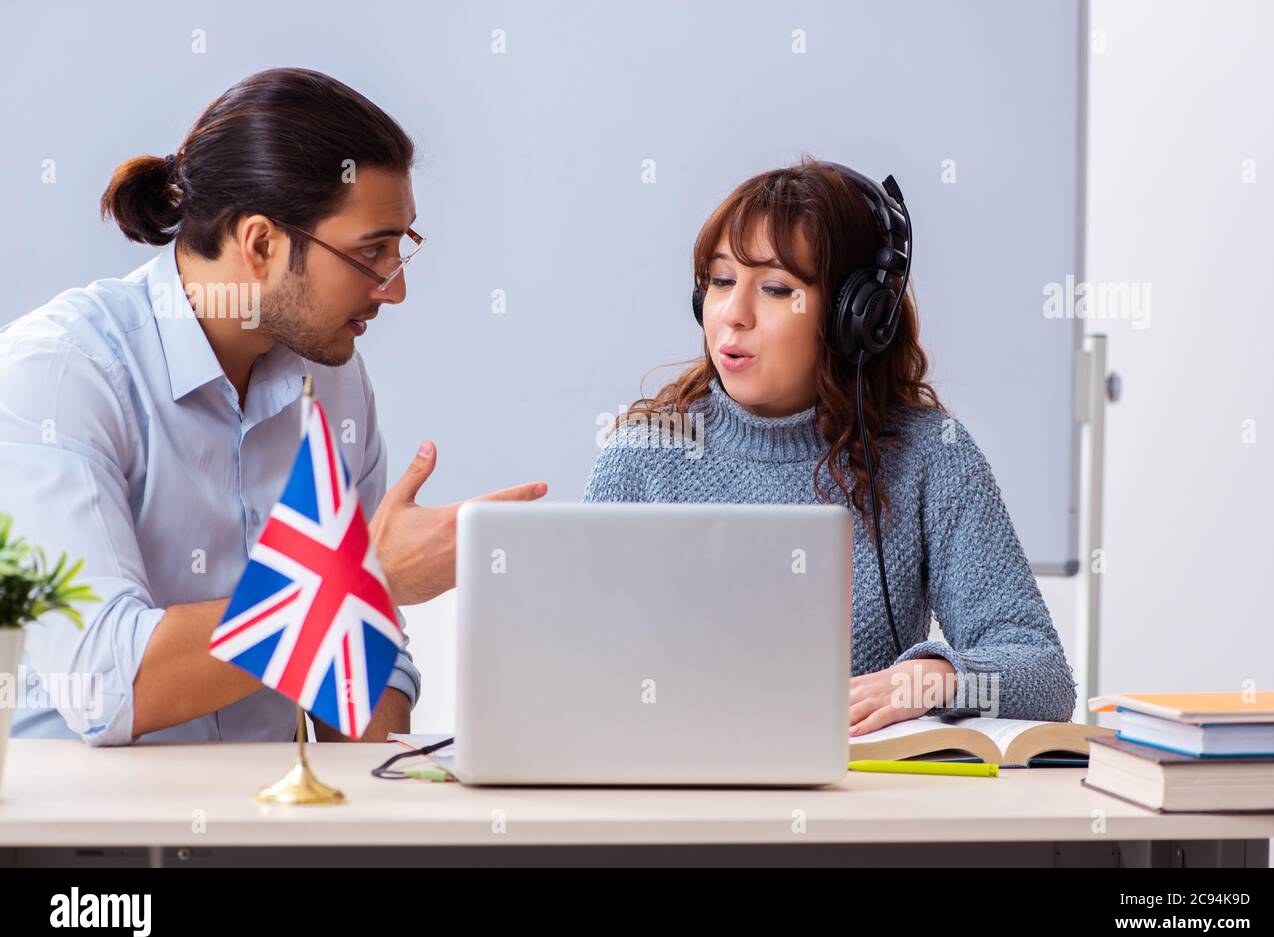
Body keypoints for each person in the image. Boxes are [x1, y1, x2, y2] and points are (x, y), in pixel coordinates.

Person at [0, 68, 547, 746]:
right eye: (370, 251)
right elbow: (113, 686)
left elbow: (351, 688)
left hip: (273, 831)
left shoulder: (335, 382)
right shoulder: (58, 375)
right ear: (260, 243)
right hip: (89, 837)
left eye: (401, 249)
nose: (394, 290)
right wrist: (357, 577)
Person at [583, 157, 1077, 735]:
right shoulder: (645, 456)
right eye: (720, 281)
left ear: (855, 316)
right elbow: (572, 668)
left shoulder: (929, 455)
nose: (732, 316)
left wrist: (933, 677)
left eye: (774, 289)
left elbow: (1043, 674)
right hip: (674, 797)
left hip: (858, 810)